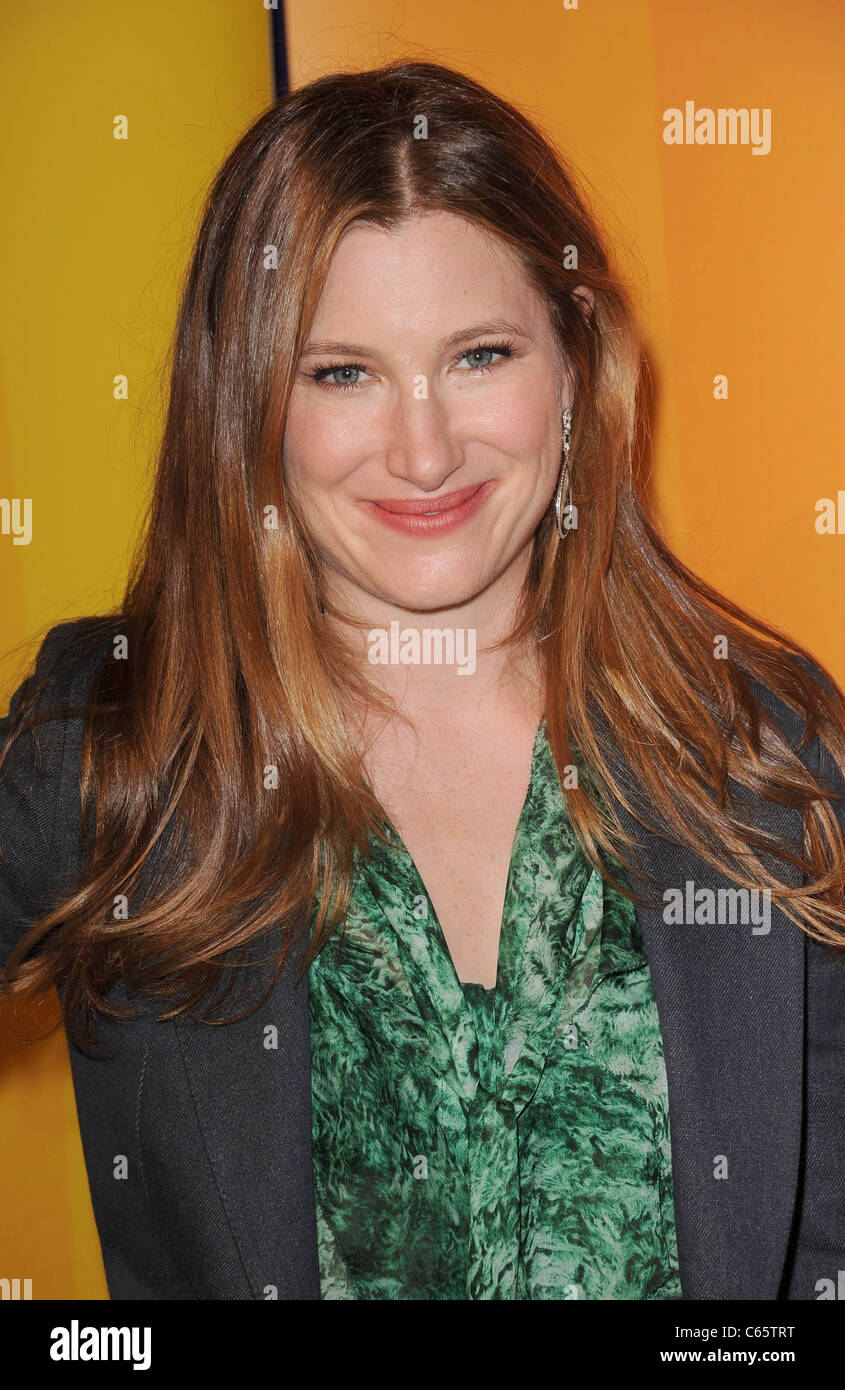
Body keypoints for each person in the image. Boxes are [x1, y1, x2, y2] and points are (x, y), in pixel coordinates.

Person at [1, 58, 844, 1302]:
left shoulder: (758, 742)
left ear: (574, 368)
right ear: (246, 406)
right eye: (341, 373)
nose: (424, 448)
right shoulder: (115, 743)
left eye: (479, 354)